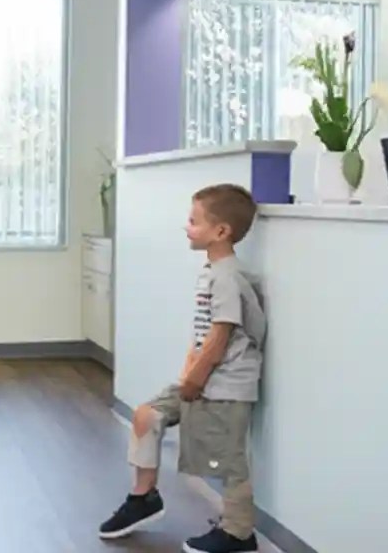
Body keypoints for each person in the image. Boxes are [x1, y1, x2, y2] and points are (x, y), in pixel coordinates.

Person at [98, 184, 266, 553]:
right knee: (147, 416)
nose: (186, 227)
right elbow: (204, 334)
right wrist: (188, 371)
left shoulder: (227, 276)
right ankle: (143, 498)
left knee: (229, 460)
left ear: (220, 231)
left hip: (225, 385)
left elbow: (221, 334)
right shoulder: (212, 271)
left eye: (193, 221)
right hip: (201, 377)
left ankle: (239, 534)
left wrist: (195, 378)